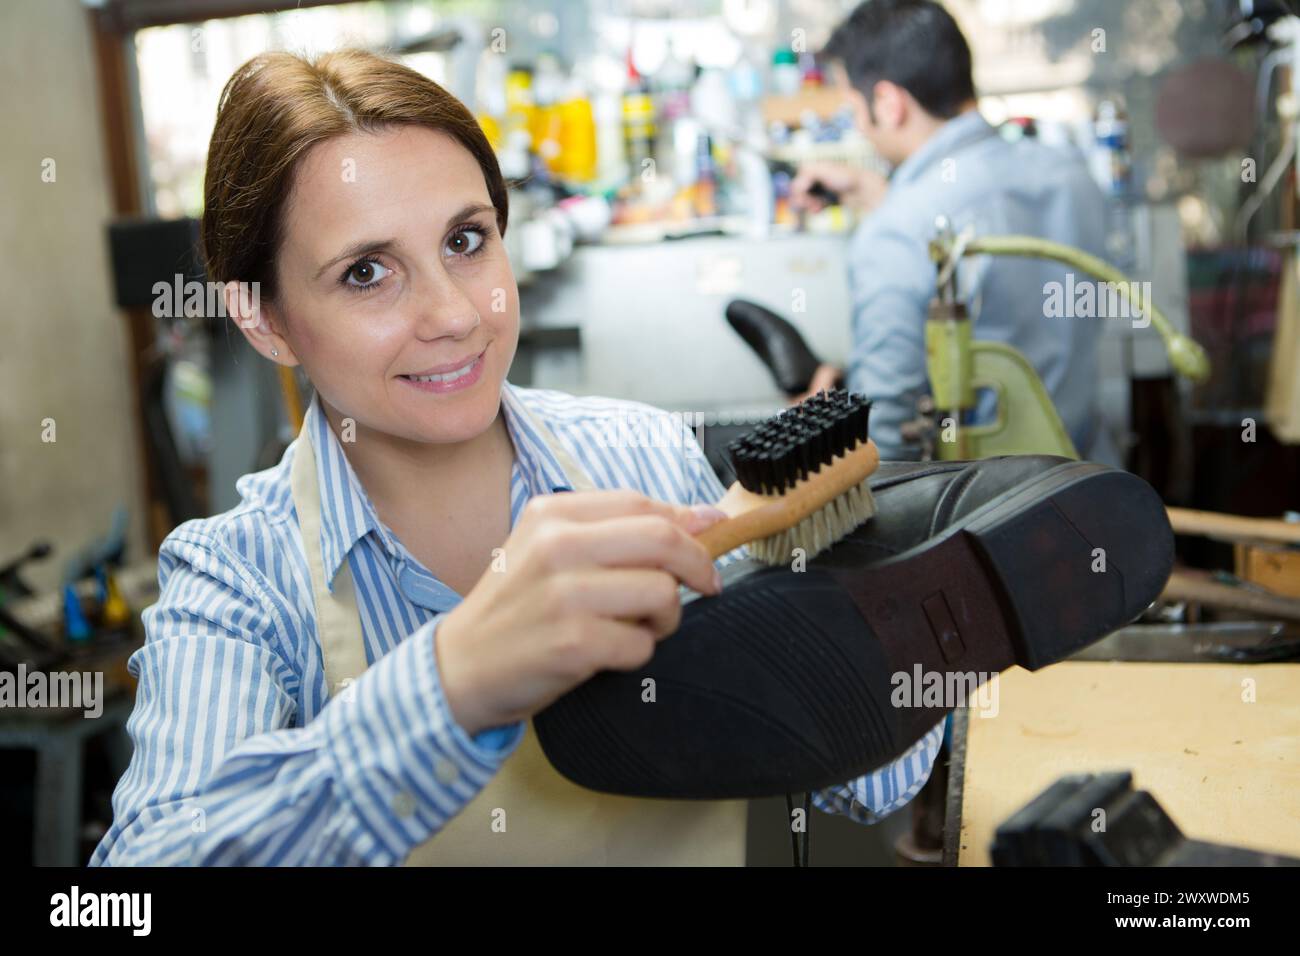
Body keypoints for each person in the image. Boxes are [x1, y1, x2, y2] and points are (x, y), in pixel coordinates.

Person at [90, 50, 941, 866]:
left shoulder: (641, 458)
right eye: (366, 273)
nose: (455, 315)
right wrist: (451, 685)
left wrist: (854, 610)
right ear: (262, 319)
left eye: (466, 241)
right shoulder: (240, 581)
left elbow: (873, 786)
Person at [791, 0, 1113, 462]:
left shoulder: (895, 232)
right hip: (1099, 490)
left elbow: (885, 438)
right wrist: (882, 193)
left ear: (887, 102)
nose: (859, 128)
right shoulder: (1071, 176)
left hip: (986, 517)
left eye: (854, 109)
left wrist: (821, 428)